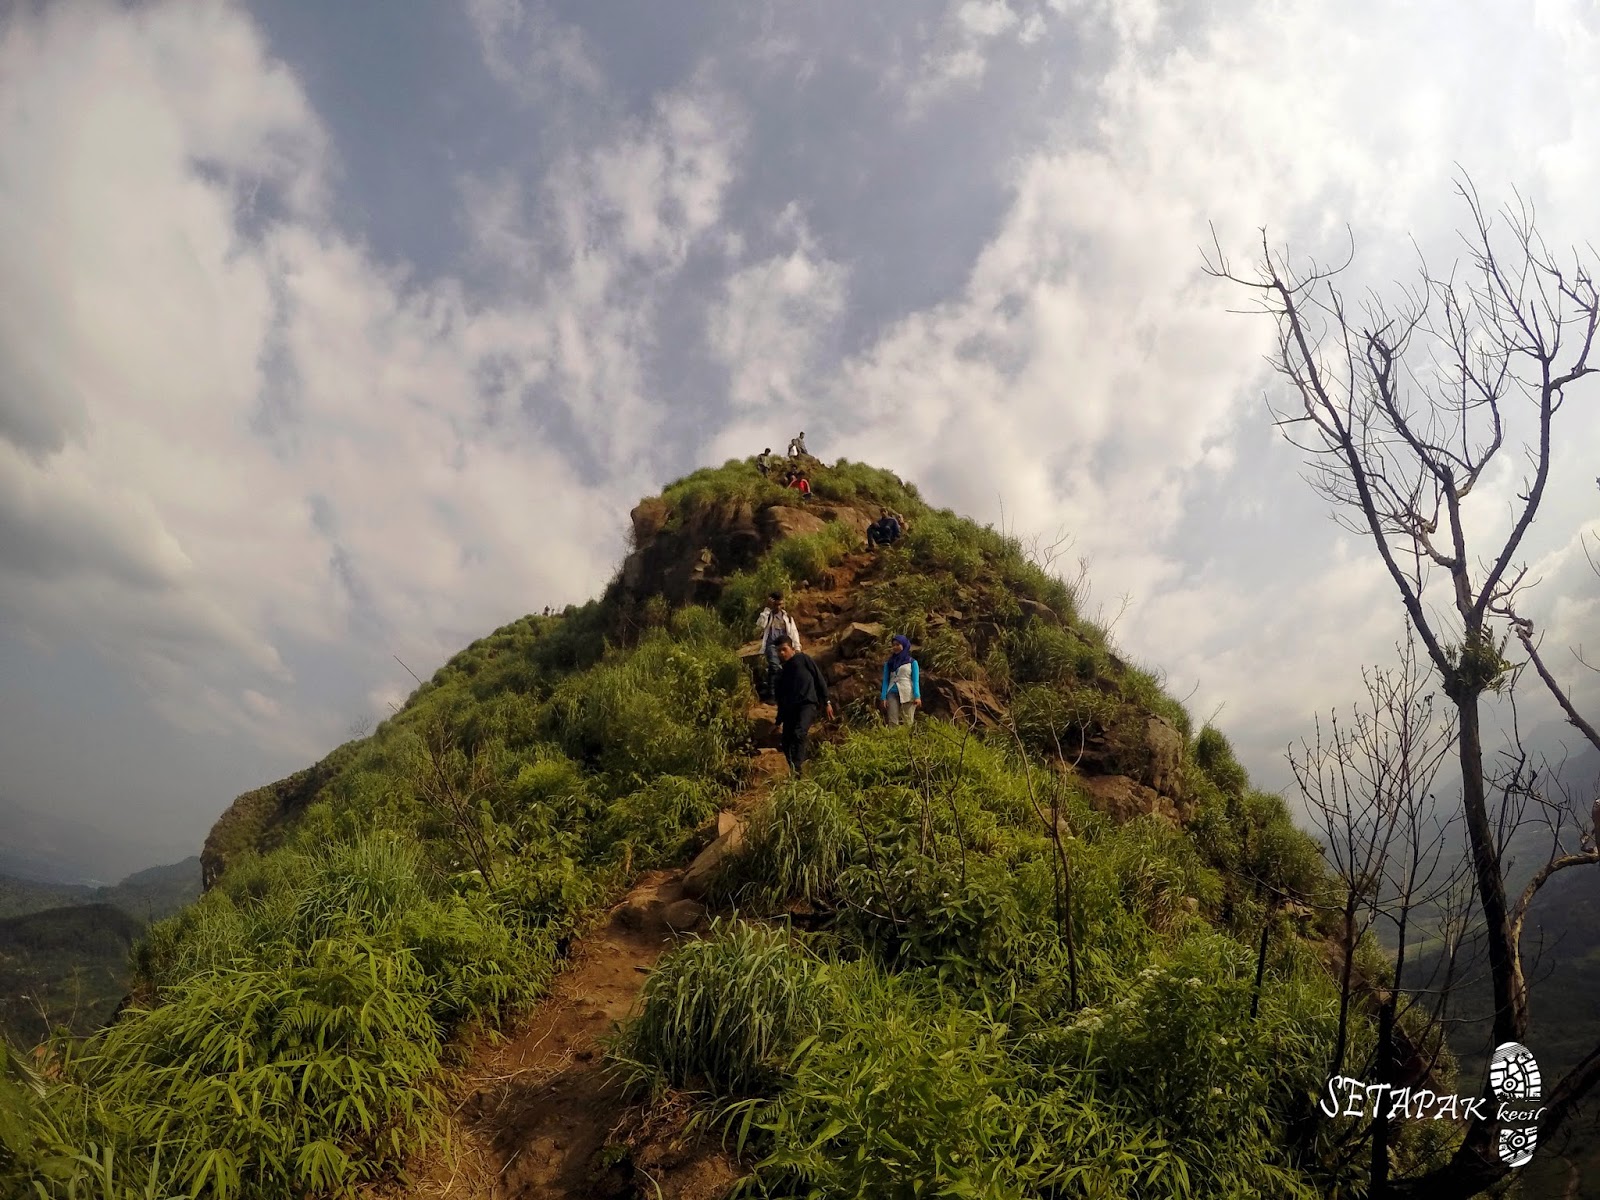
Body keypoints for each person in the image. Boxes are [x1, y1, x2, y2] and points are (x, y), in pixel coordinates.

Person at [774, 634, 833, 775]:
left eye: (784, 649)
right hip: (790, 710)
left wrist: (827, 702)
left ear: (792, 648)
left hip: (807, 704)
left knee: (799, 733)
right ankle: (795, 769)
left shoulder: (802, 659)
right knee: (786, 742)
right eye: (778, 651)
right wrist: (778, 721)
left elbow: (819, 679)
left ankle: (798, 770)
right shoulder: (780, 674)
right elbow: (781, 699)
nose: (781, 653)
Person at [755, 592, 800, 702]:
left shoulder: (787, 617)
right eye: (776, 604)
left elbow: (793, 632)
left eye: (780, 604)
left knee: (787, 669)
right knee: (774, 665)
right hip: (772, 645)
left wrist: (797, 647)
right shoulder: (768, 615)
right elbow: (760, 624)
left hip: (785, 646)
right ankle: (772, 695)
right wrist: (766, 609)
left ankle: (785, 694)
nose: (778, 607)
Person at [879, 635, 921, 726]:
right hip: (892, 692)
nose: (895, 647)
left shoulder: (912, 662)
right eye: (893, 645)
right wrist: (883, 697)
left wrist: (917, 696)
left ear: (904, 645)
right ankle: (893, 739)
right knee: (892, 721)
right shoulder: (889, 663)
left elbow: (915, 680)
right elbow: (885, 680)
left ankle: (906, 739)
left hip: (907, 692)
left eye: (897, 644)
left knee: (908, 720)